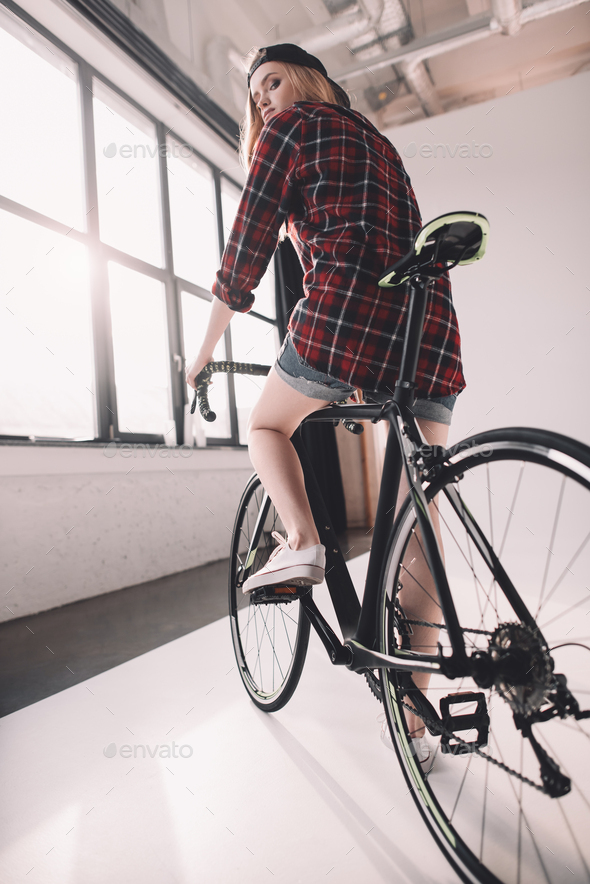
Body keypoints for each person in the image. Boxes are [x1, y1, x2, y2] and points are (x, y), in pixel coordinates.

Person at [185, 44, 465, 769]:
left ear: (308, 81)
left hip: (344, 315)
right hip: (427, 327)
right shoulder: (379, 139)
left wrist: (203, 350)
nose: (264, 102)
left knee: (267, 424)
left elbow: (244, 250)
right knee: (416, 523)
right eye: (255, 96)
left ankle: (302, 540)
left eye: (271, 81)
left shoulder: (294, 129)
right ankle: (414, 712)